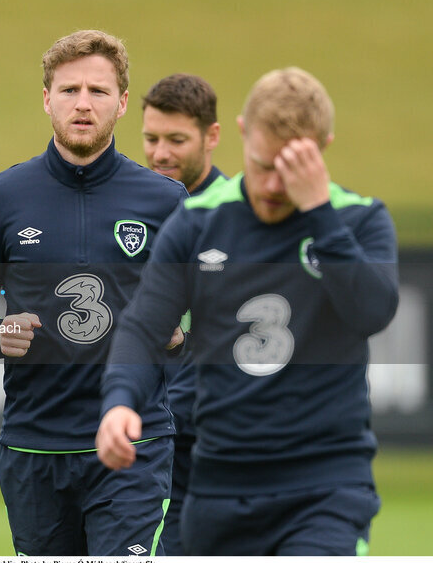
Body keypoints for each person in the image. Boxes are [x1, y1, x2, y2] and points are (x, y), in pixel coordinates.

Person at [98, 67, 398, 555]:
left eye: (293, 166)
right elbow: (142, 326)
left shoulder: (357, 218)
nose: (276, 184)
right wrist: (118, 401)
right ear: (241, 133)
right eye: (263, 165)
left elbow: (374, 312)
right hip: (219, 486)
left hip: (325, 486)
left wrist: (319, 213)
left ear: (324, 146)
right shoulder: (199, 221)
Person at [0, 29, 187, 556]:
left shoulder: (166, 201)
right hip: (35, 444)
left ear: (122, 103)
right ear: (46, 99)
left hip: (133, 443)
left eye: (98, 91)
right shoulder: (0, 198)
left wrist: (179, 339)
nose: (83, 103)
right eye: (69, 90)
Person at [140, 73, 226, 555]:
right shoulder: (130, 213)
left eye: (177, 140)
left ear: (211, 136)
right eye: (151, 139)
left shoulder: (241, 216)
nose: (160, 154)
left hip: (221, 441)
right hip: (153, 444)